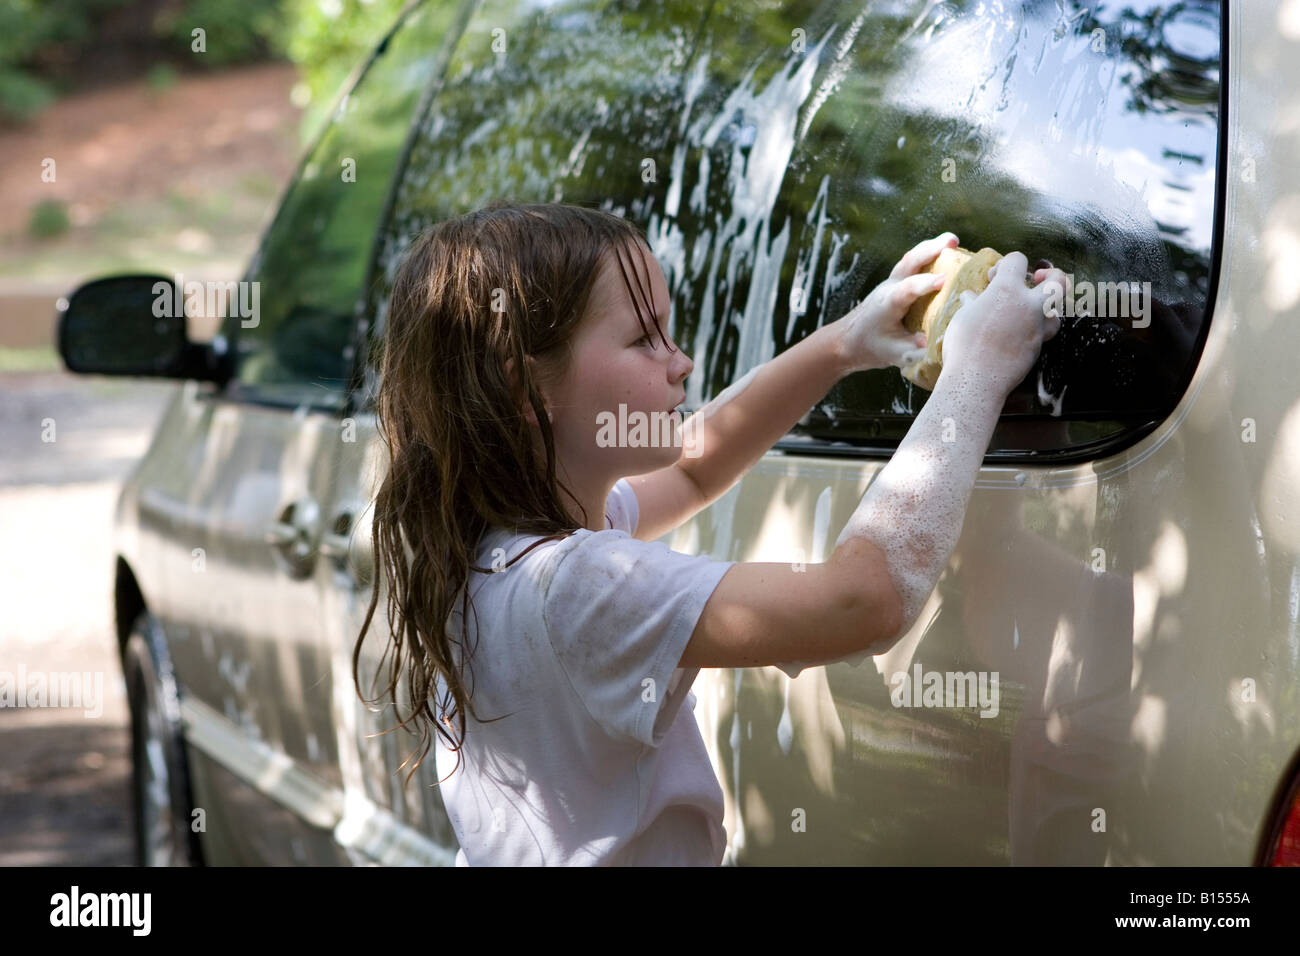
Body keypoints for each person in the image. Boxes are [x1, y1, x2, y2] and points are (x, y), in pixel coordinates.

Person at [352, 199, 1068, 865]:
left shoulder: (505, 554)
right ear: (527, 389)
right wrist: (977, 371)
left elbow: (699, 467)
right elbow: (864, 601)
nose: (681, 361)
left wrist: (849, 341)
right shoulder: (576, 586)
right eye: (644, 339)